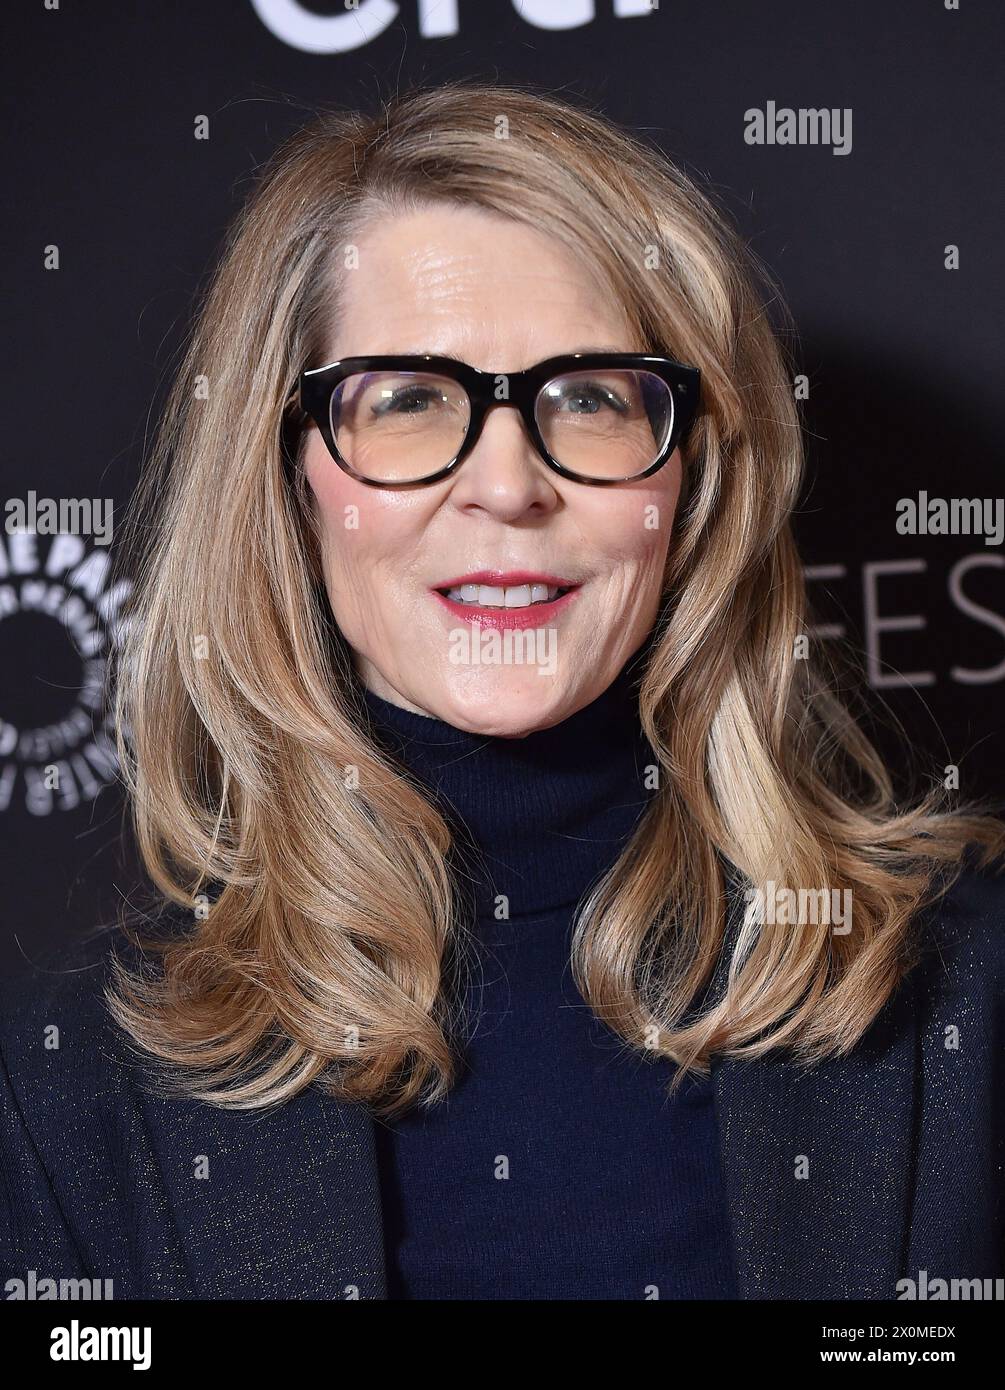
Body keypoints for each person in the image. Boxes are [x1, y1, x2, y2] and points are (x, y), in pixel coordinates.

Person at [2, 80, 1003, 1302]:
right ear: (287, 476)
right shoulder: (57, 1101)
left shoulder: (967, 999)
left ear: (691, 478)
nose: (507, 484)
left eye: (589, 397)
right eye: (411, 399)